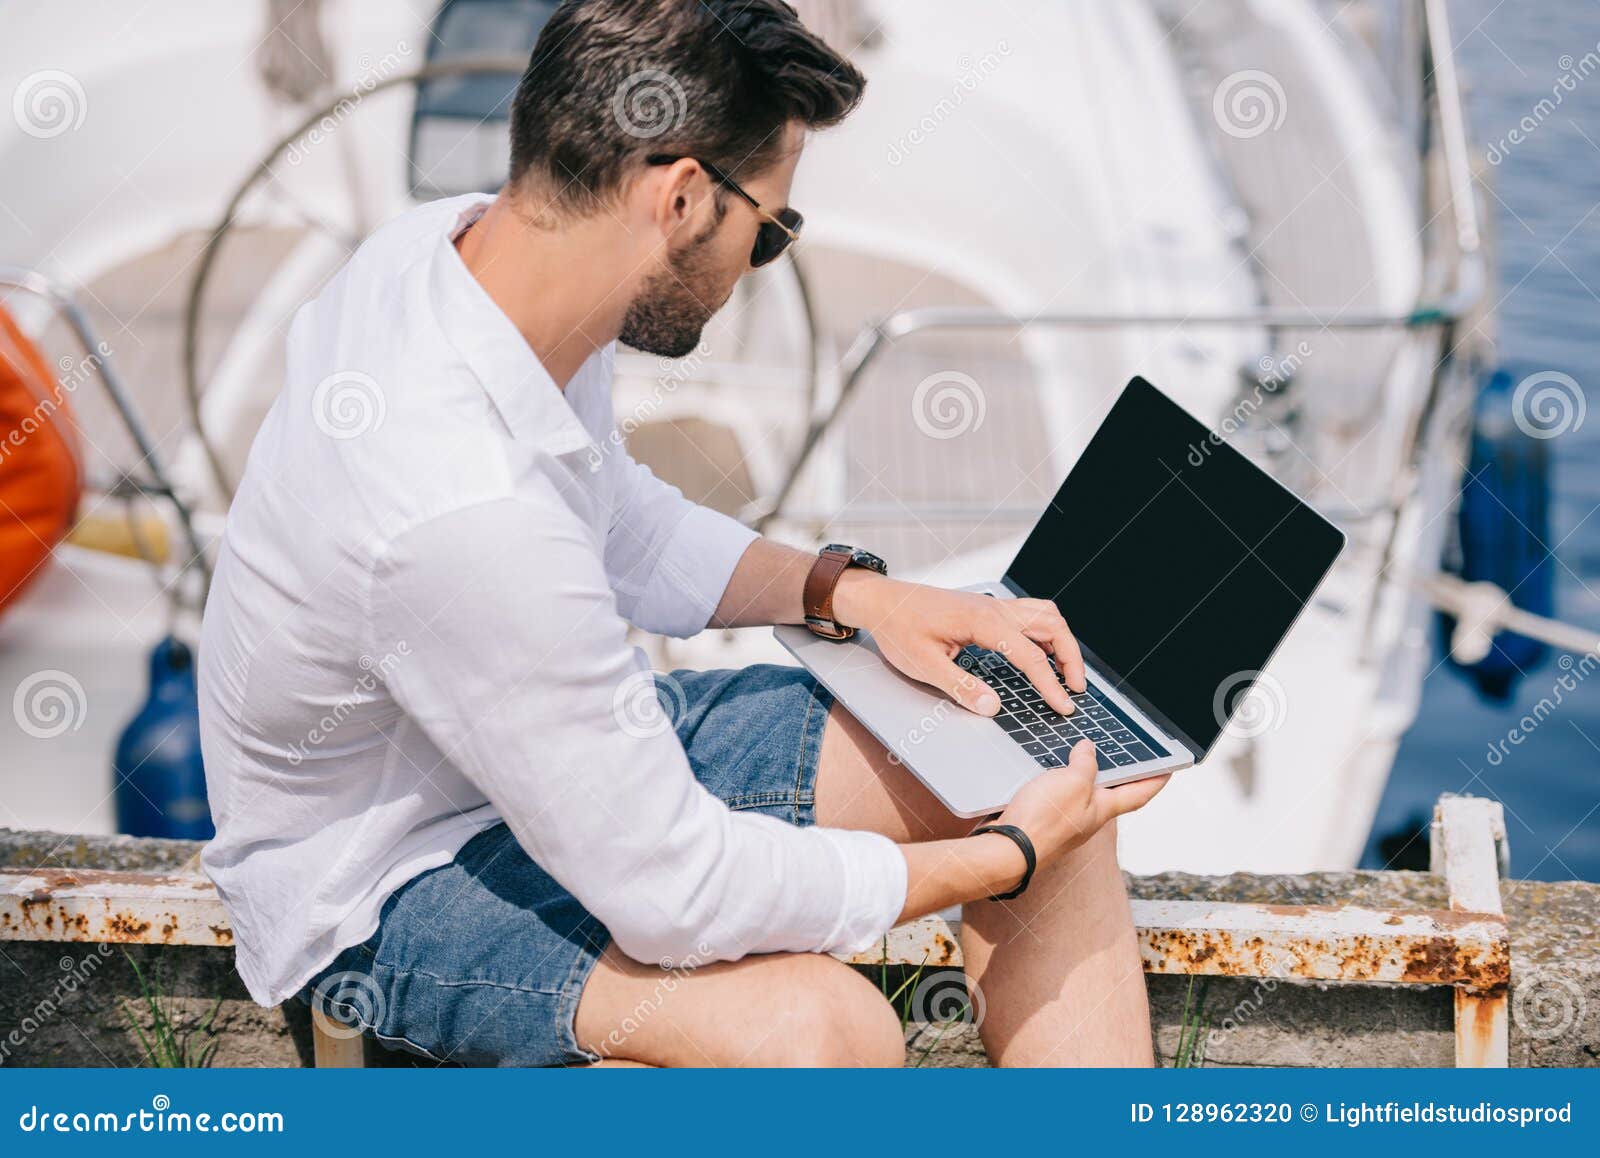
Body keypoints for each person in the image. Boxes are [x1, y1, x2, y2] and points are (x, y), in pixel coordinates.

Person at [198, 0, 1167, 1068]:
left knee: (1019, 743)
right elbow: (678, 894)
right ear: (683, 197)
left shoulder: (460, 258)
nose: (769, 253)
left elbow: (619, 522)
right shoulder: (459, 507)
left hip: (535, 762)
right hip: (388, 887)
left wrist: (856, 595)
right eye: (775, 229)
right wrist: (1004, 859)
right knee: (825, 1035)